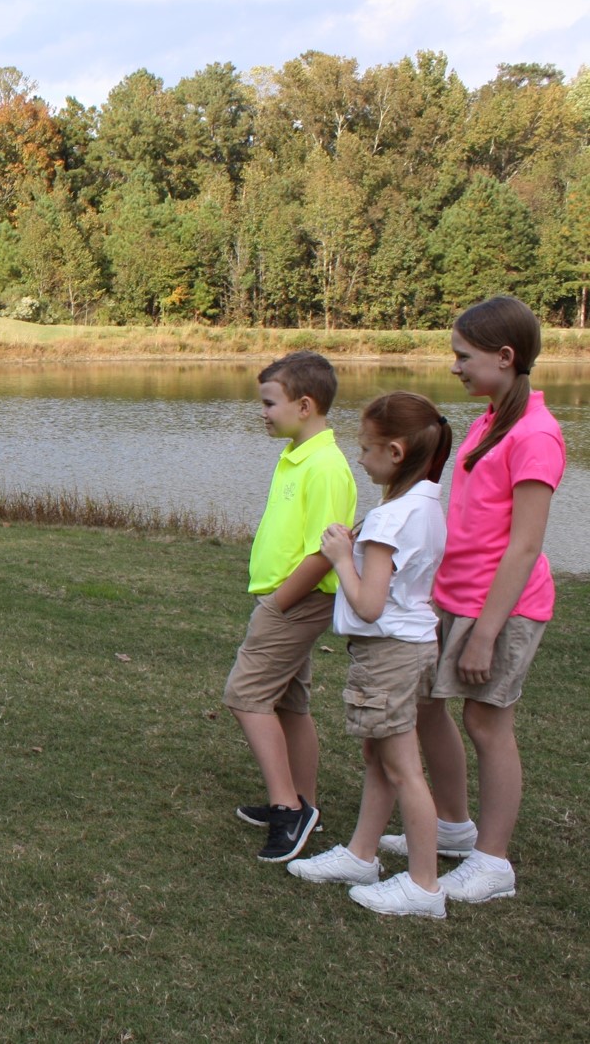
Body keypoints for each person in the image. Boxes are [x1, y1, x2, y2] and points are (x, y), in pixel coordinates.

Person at [379, 296, 563, 904]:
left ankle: (492, 862)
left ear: (505, 358)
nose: (454, 366)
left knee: (487, 722)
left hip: (501, 608)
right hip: (453, 598)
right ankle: (454, 828)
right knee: (430, 705)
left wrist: (486, 630)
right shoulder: (490, 420)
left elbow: (525, 545)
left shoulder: (537, 434)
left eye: (464, 355)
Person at [287, 393, 452, 918]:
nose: (360, 458)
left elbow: (369, 603)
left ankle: (424, 886)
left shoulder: (389, 520)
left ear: (396, 452)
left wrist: (340, 555)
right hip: (416, 643)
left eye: (366, 448)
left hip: (388, 654)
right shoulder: (426, 504)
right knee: (378, 758)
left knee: (403, 769)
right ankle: (362, 854)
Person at [226, 351, 357, 862]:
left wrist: (280, 601)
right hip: (288, 602)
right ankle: (305, 802)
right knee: (288, 702)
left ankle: (288, 809)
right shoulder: (297, 455)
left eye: (269, 403)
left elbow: (325, 550)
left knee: (245, 695)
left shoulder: (325, 466)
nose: (262, 412)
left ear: (305, 405)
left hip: (294, 604)